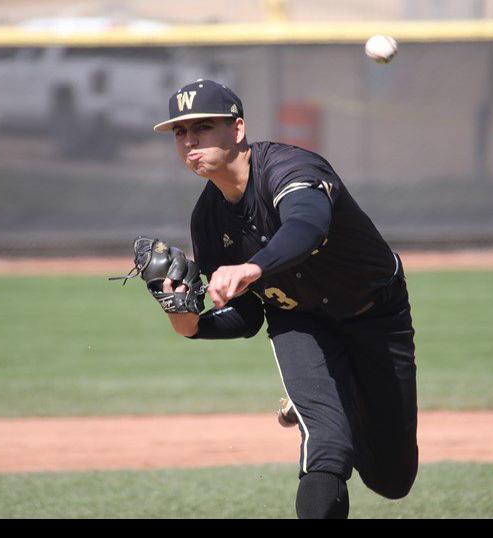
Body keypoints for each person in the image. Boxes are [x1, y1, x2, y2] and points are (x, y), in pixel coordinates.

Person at [153, 79, 418, 519]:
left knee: (391, 479)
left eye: (202, 126)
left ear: (237, 129)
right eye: (180, 132)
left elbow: (307, 226)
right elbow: (249, 315)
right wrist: (194, 327)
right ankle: (323, 404)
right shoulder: (207, 217)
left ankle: (338, 395)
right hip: (300, 322)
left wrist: (253, 266)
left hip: (376, 313)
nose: (189, 140)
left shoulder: (292, 169)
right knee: (327, 446)